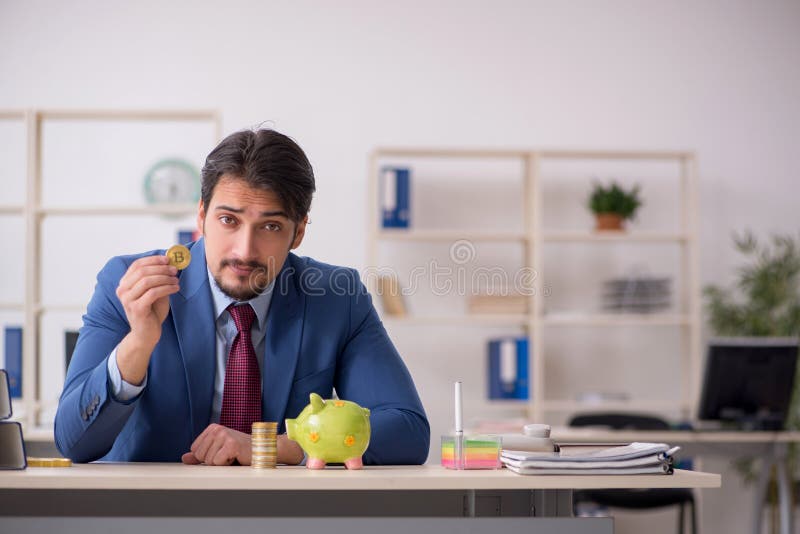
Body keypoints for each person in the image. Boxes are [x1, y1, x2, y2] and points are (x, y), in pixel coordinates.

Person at [54, 128, 430, 466]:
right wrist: (138, 343)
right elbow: (73, 442)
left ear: (298, 233)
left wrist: (279, 446)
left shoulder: (335, 297)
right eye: (228, 220)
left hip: (282, 511)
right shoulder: (128, 284)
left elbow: (407, 431)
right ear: (201, 216)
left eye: (270, 226)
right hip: (152, 510)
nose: (245, 251)